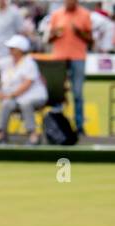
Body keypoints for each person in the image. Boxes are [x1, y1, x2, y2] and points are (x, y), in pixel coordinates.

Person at [46, 0, 92, 136]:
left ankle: (79, 126)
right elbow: (49, 38)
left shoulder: (85, 14)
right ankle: (56, 126)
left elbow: (90, 39)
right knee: (58, 93)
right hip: (59, 58)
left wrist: (79, 33)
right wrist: (55, 34)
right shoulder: (56, 14)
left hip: (77, 57)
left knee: (77, 93)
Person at [0, 33, 47, 142]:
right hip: (15, 98)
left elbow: (26, 85)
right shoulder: (7, 61)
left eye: (12, 48)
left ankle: (33, 134)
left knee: (26, 103)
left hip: (35, 97)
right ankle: (0, 133)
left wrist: (9, 95)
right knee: (6, 104)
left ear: (20, 50)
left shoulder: (29, 63)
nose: (10, 50)